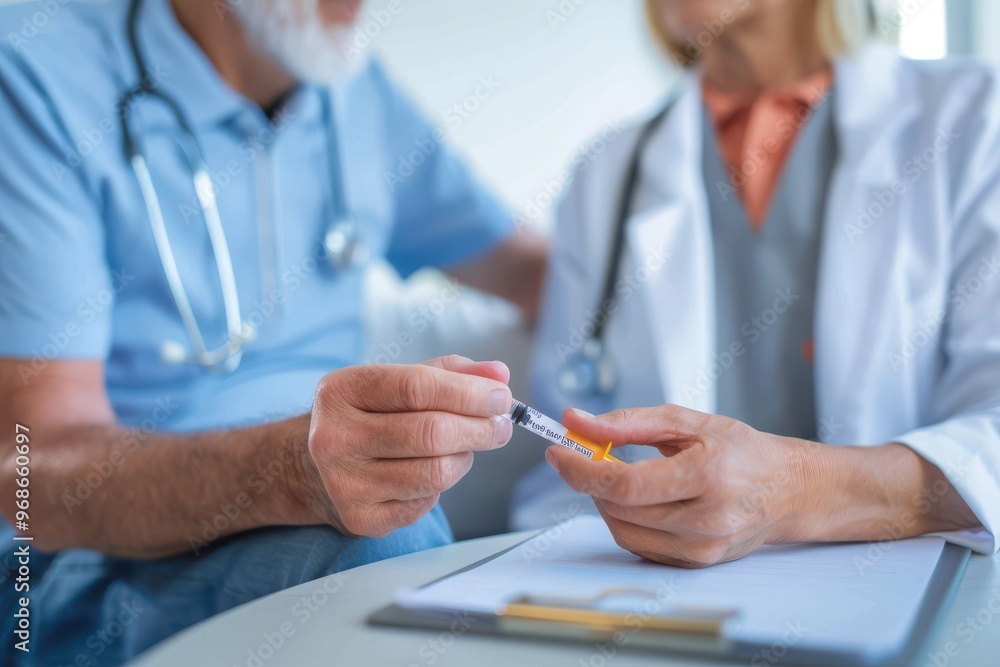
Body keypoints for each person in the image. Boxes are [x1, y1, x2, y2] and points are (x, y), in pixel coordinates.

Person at [0, 0, 545, 663]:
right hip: (70, 563)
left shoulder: (349, 86)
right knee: (380, 543)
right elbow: (28, 479)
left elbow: (539, 274)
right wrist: (291, 472)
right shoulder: (34, 73)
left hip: (318, 522)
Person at [518, 0, 1000, 567]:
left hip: (907, 582)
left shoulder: (974, 119)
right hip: (656, 597)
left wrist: (801, 490)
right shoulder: (607, 174)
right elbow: (560, 469)